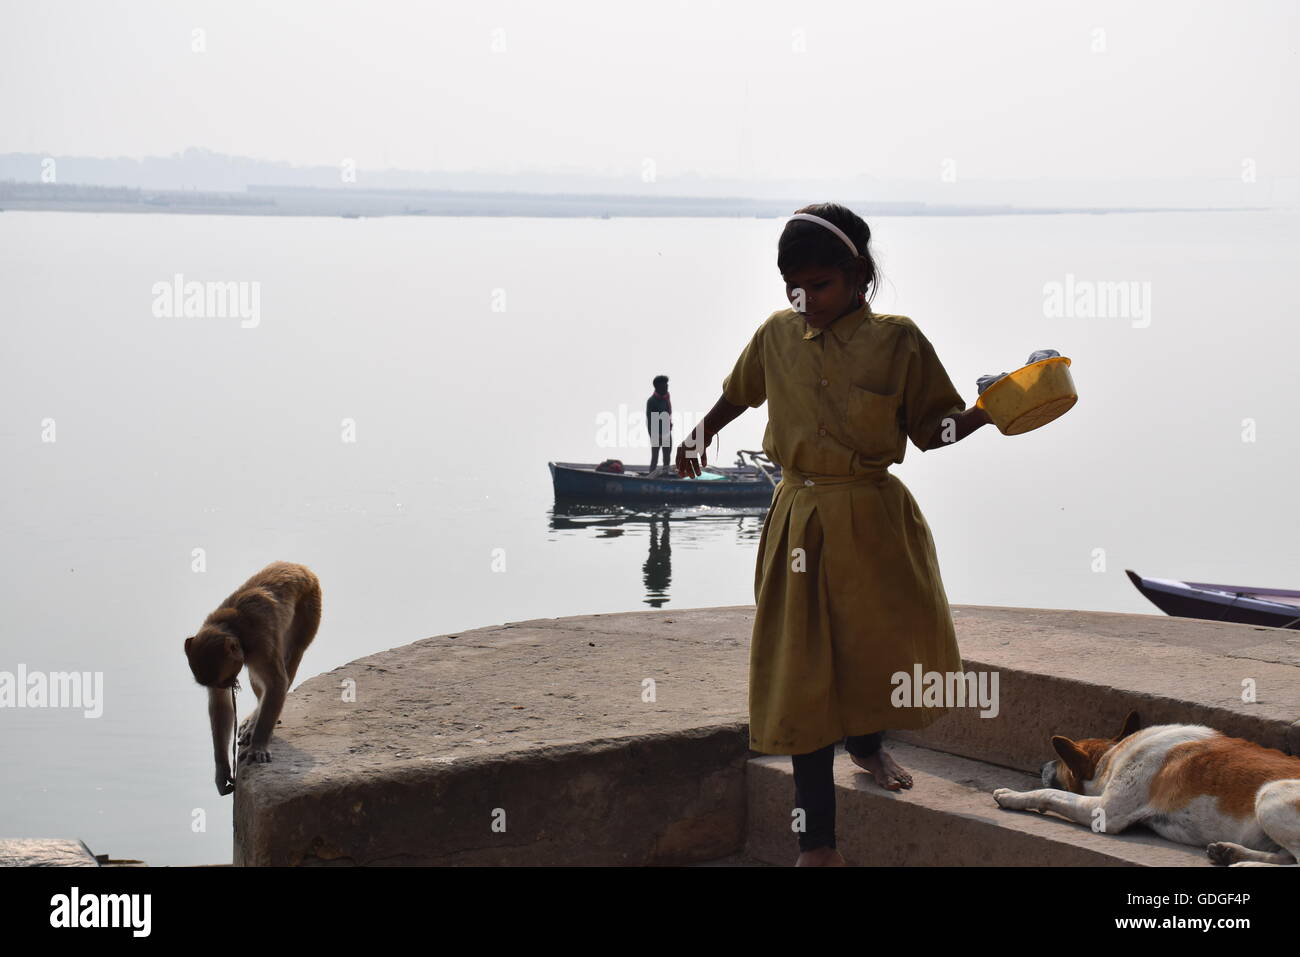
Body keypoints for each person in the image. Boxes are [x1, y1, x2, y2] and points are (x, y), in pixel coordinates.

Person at [675, 203, 993, 867]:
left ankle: (868, 743)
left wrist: (987, 414)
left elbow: (931, 432)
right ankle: (817, 844)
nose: (805, 299)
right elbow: (741, 392)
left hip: (873, 523)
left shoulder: (899, 341)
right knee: (802, 673)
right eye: (793, 286)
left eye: (819, 285)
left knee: (867, 652)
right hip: (799, 521)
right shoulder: (776, 336)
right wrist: (701, 432)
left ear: (858, 276)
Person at [646, 375, 673, 475]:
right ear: (658, 387)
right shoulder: (652, 401)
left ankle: (665, 476)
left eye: (667, 384)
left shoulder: (666, 398)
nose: (667, 386)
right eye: (664, 385)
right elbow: (650, 420)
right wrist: (655, 436)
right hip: (656, 433)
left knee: (667, 458)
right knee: (655, 458)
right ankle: (651, 475)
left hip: (666, 431)